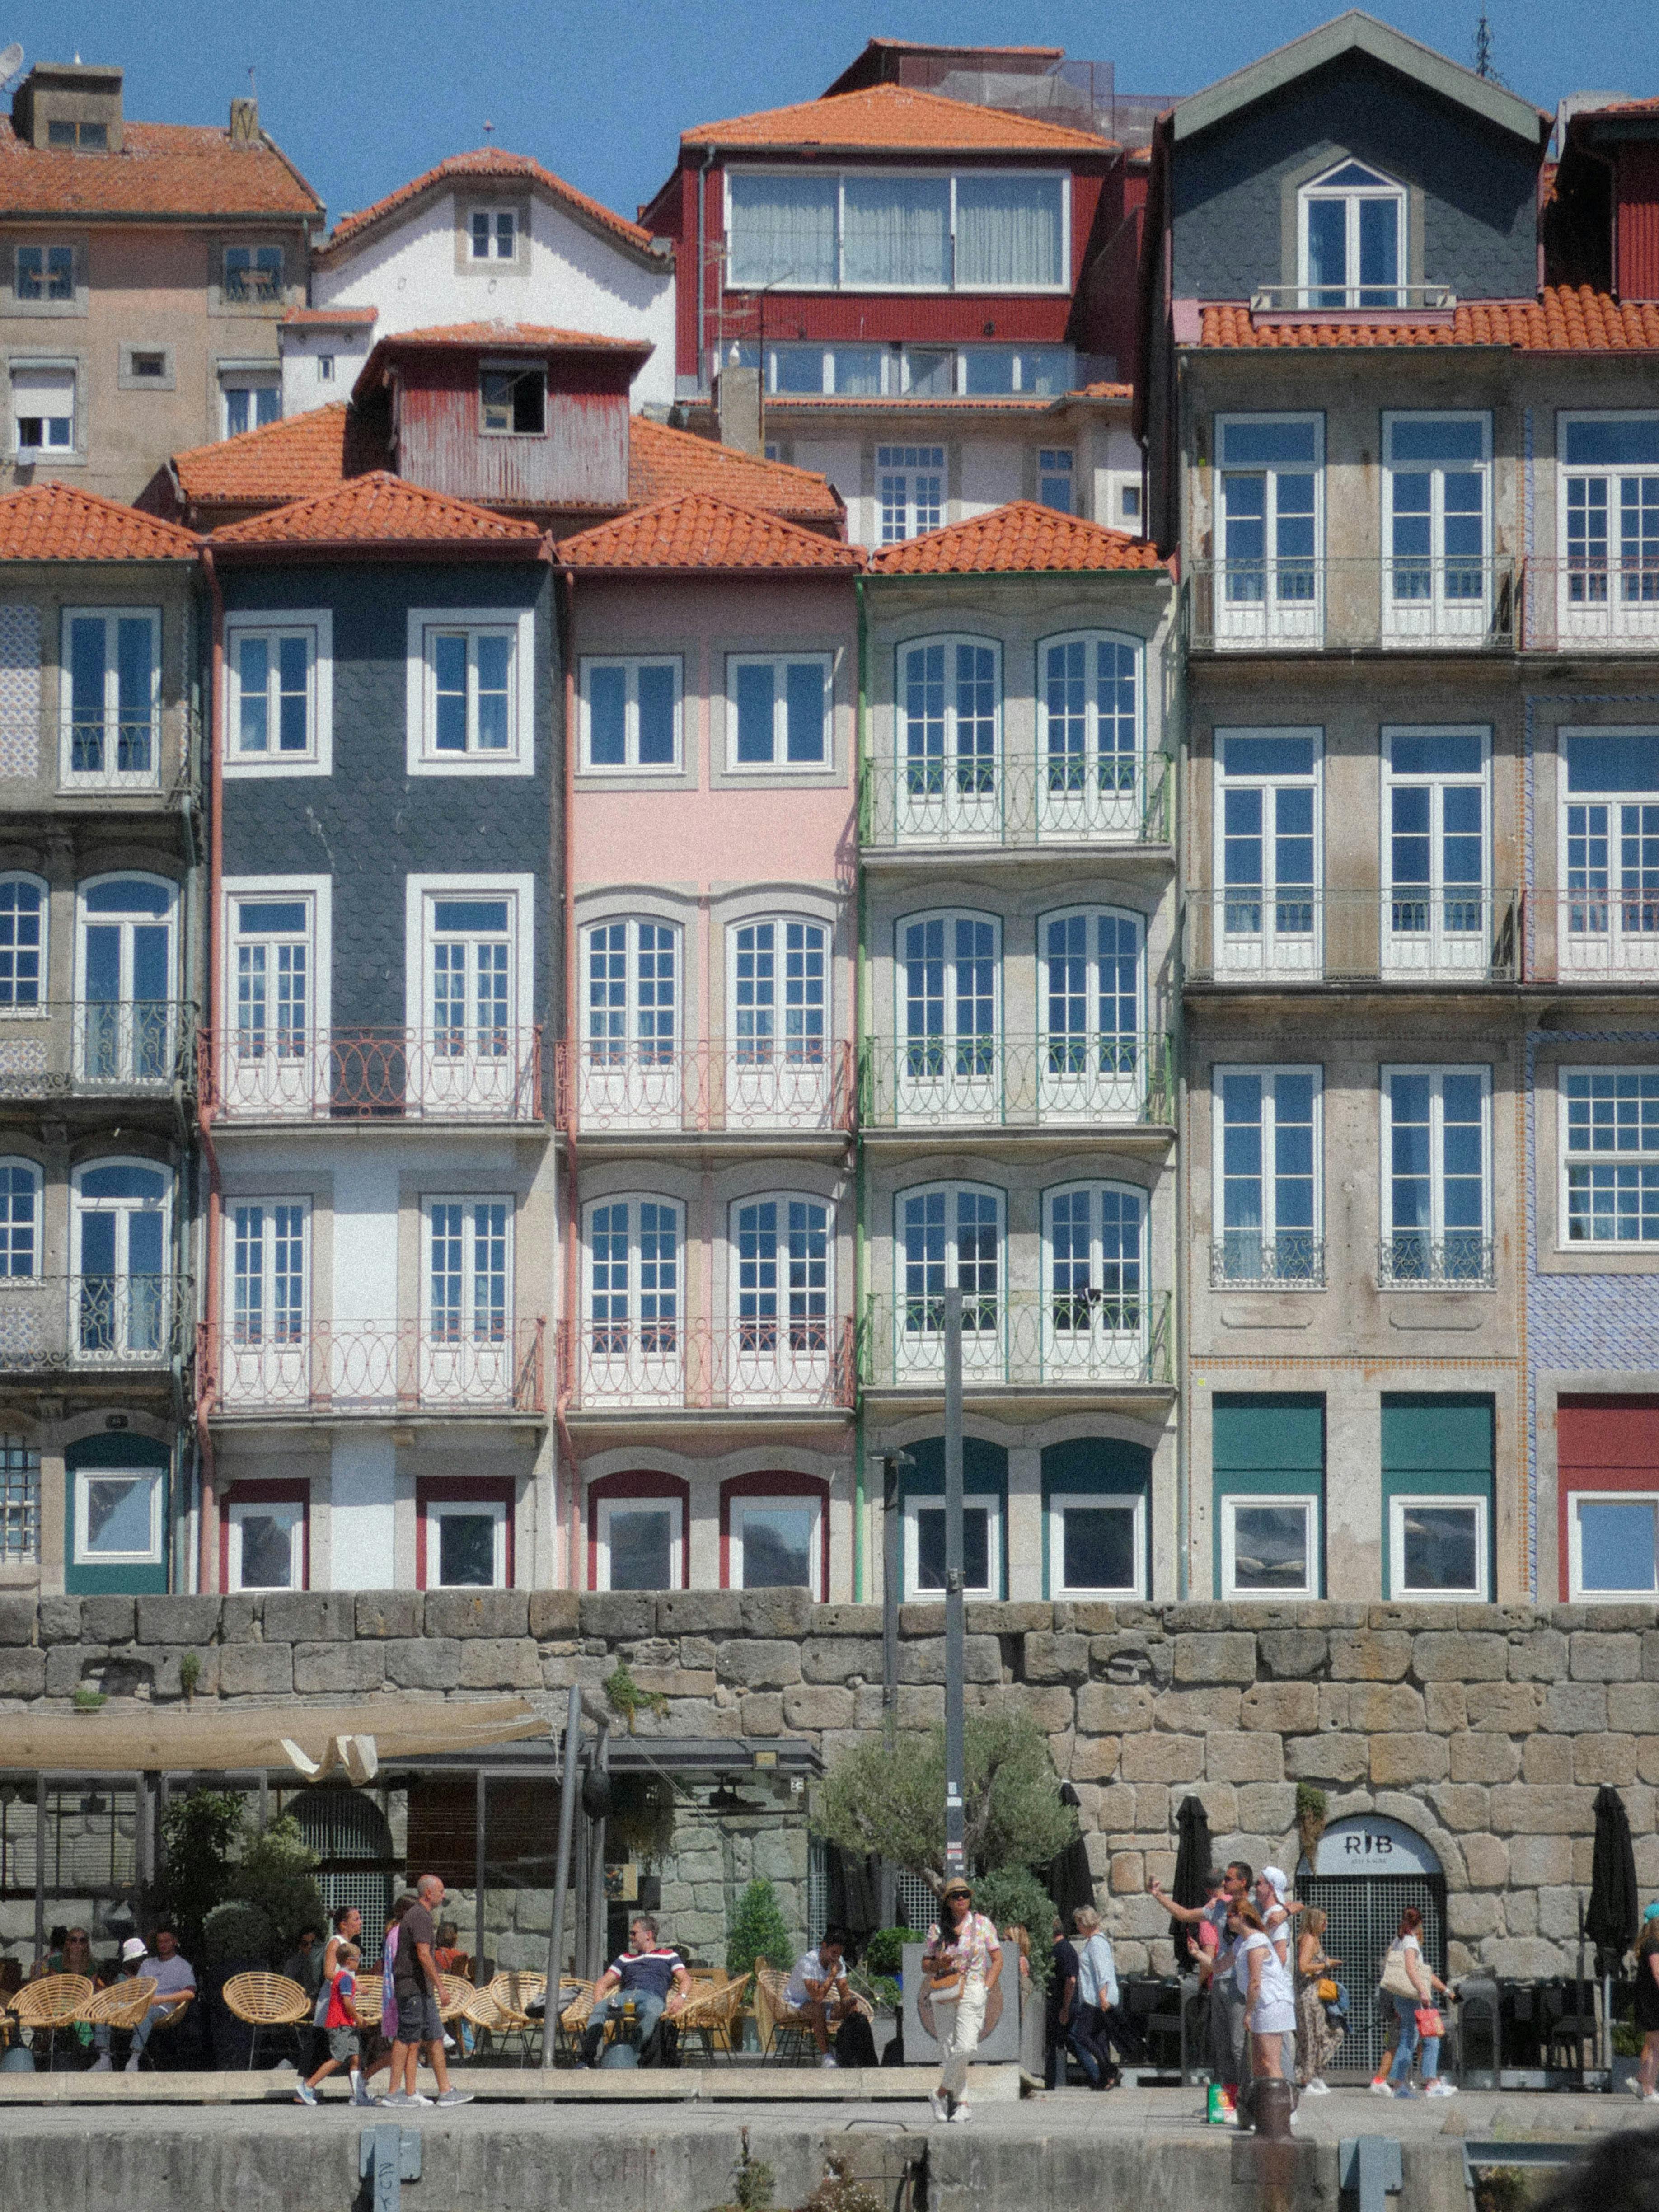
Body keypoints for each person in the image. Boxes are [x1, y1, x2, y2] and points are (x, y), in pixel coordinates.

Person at [1152, 1860, 1250, 2116]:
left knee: (1239, 2046)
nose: (1224, 1885)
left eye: (1229, 1880)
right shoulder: (1217, 1908)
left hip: (1239, 1984)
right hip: (1220, 1981)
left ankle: (1248, 2102)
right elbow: (1184, 1915)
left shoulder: (1251, 1909)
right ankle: (1225, 2104)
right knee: (1221, 2045)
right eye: (1224, 1881)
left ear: (1242, 1883)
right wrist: (1158, 1896)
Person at [384, 1874, 472, 2108]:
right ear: (429, 1893)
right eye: (441, 1891)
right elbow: (423, 1955)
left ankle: (445, 2090)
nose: (444, 1896)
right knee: (406, 2036)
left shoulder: (421, 1916)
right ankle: (393, 2092)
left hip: (422, 1989)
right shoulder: (420, 1917)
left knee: (435, 2035)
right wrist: (441, 1987)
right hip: (413, 1987)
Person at [921, 1877, 1002, 2126]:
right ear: (947, 1900)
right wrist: (939, 1963)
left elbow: (997, 1959)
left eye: (965, 1895)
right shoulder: (937, 1930)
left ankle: (939, 2093)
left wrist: (987, 1987)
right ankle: (963, 2105)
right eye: (956, 1895)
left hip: (974, 1988)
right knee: (948, 2049)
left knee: (966, 2047)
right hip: (946, 1990)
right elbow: (926, 1965)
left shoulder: (982, 1924)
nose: (961, 1899)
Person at [581, 1914, 692, 2065]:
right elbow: (602, 1983)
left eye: (634, 1933)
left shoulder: (669, 1955)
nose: (630, 1937)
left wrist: (681, 1997)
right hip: (626, 1997)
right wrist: (600, 2002)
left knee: (653, 2011)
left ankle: (631, 2052)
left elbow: (685, 1979)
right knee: (599, 2009)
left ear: (648, 1935)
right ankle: (586, 2059)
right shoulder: (625, 1959)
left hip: (652, 1997)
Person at [1380, 1907, 1455, 2100]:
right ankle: (1404, 2084)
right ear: (1420, 1924)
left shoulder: (1399, 1941)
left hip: (1404, 1996)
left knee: (1425, 2037)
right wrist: (1423, 1991)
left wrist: (1443, 1990)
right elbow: (1412, 1969)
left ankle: (1428, 2081)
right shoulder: (1410, 1942)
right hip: (1412, 1997)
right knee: (1413, 2038)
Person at [1232, 1898, 1295, 2123]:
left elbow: (1255, 1983)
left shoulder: (1256, 1942)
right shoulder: (1246, 1943)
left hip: (1270, 2005)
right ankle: (1265, 2112)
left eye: (1230, 1917)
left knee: (1271, 2062)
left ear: (1241, 1915)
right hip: (1261, 2006)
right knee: (1259, 2064)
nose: (1228, 1922)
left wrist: (1247, 2013)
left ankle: (1286, 2114)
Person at [296, 1940, 372, 2107]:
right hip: (339, 2024)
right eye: (357, 1959)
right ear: (348, 1961)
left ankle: (359, 2094)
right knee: (338, 2058)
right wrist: (358, 2017)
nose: (359, 1962)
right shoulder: (344, 1978)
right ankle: (308, 2087)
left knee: (355, 2057)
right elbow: (346, 2002)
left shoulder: (346, 1978)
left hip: (347, 2024)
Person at [116, 1927, 196, 2073]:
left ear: (174, 1942)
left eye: (167, 1941)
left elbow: (190, 1994)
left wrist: (161, 1999)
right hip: (143, 2003)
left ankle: (134, 2058)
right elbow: (137, 1988)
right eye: (160, 1942)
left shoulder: (183, 1966)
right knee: (110, 2007)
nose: (163, 1945)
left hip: (166, 2008)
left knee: (149, 2011)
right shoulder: (148, 1964)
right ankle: (103, 2056)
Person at [784, 1925, 857, 2067]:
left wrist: (849, 2003)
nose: (836, 1957)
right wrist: (832, 1974)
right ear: (824, 1946)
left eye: (839, 1953)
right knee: (818, 2009)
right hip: (794, 2003)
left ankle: (847, 2052)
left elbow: (844, 1994)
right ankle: (826, 2057)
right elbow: (818, 1997)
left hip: (816, 2004)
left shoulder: (838, 1960)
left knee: (853, 2009)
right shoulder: (808, 1963)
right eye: (834, 1952)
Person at [1294, 1906, 1344, 2096]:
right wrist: (1326, 1964)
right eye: (1323, 1920)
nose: (1327, 1924)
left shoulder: (1315, 1940)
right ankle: (1307, 2078)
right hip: (1308, 1996)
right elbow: (1303, 1966)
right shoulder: (1308, 1940)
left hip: (1317, 1994)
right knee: (1311, 2037)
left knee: (1326, 2034)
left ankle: (1315, 2074)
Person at [1072, 1907, 1121, 2089]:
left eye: (1079, 1923)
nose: (1078, 1928)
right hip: (1095, 1998)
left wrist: (1102, 1997)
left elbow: (1103, 1972)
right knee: (1099, 2038)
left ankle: (1110, 2070)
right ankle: (1105, 2078)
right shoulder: (1097, 1942)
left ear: (1085, 1923)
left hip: (1095, 2000)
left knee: (1082, 2035)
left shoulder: (1096, 1944)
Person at [1048, 1916, 1095, 2090]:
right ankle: (1098, 2076)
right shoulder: (1063, 1949)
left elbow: (1071, 1980)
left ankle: (1098, 2075)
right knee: (1071, 2042)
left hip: (1065, 2006)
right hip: (1065, 2005)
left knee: (1066, 2042)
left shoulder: (1063, 1950)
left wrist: (1065, 2008)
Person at [1631, 1902, 1659, 2102]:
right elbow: (1658, 1972)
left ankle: (1641, 2078)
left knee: (1652, 2044)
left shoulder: (1648, 1943)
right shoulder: (1653, 1944)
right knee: (1657, 2047)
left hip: (1649, 2002)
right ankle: (1648, 2090)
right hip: (1653, 2004)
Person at [283, 1926, 323, 2001]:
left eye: (314, 1943)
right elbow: (288, 1987)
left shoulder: (327, 1962)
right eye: (305, 1944)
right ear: (300, 1946)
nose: (310, 1947)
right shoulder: (293, 1963)